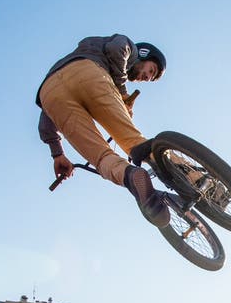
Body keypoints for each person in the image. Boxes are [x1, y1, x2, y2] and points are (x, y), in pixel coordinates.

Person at [36, 34, 169, 227]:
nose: (146, 77)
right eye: (151, 70)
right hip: (90, 72)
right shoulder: (127, 47)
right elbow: (117, 49)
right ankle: (193, 178)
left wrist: (57, 154)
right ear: (144, 53)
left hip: (49, 92)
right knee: (134, 142)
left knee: (101, 158)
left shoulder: (78, 57)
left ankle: (131, 176)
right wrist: (123, 95)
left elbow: (47, 118)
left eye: (149, 79)